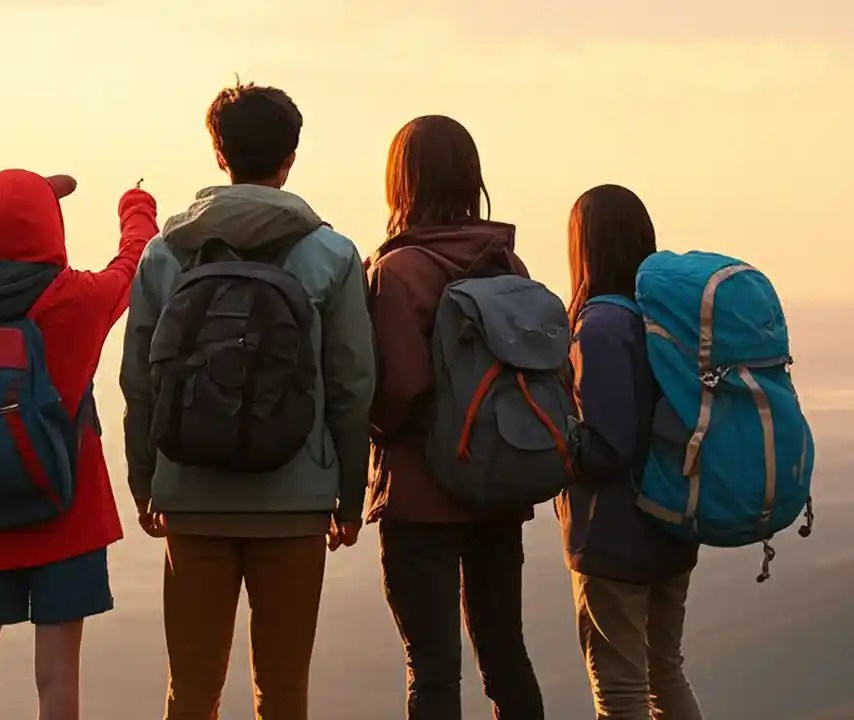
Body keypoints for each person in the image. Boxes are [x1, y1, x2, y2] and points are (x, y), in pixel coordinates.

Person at [120, 80, 376, 720]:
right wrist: (348, 495)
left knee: (193, 690)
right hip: (296, 499)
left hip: (190, 493)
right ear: (290, 159)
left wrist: (146, 483)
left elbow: (138, 382)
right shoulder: (331, 254)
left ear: (218, 154)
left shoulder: (163, 254)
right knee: (284, 692)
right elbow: (351, 386)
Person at [0, 169, 158, 720]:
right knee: (56, 674)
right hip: (63, 506)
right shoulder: (75, 300)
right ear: (50, 227)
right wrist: (136, 205)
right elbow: (134, 264)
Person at [364, 115, 545, 719]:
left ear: (401, 182)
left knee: (434, 674)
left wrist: (365, 438)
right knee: (506, 656)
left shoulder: (397, 272)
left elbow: (401, 390)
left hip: (420, 500)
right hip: (498, 490)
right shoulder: (510, 269)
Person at [561, 184, 702, 719]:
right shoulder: (668, 323)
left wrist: (555, 437)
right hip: (674, 525)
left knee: (620, 691)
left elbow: (607, 447)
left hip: (614, 536)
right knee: (666, 673)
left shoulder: (600, 326)